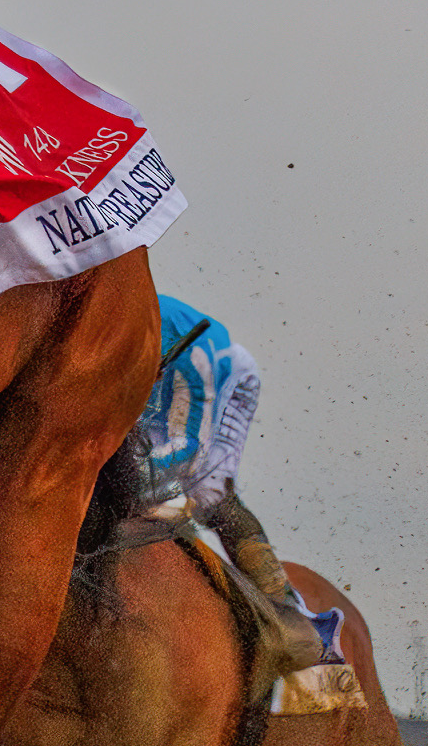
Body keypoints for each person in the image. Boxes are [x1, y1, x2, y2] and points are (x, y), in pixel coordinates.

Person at [138, 294, 324, 687]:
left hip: (221, 383)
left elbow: (187, 447)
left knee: (207, 490)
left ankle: (286, 613)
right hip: (150, 380)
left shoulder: (192, 351)